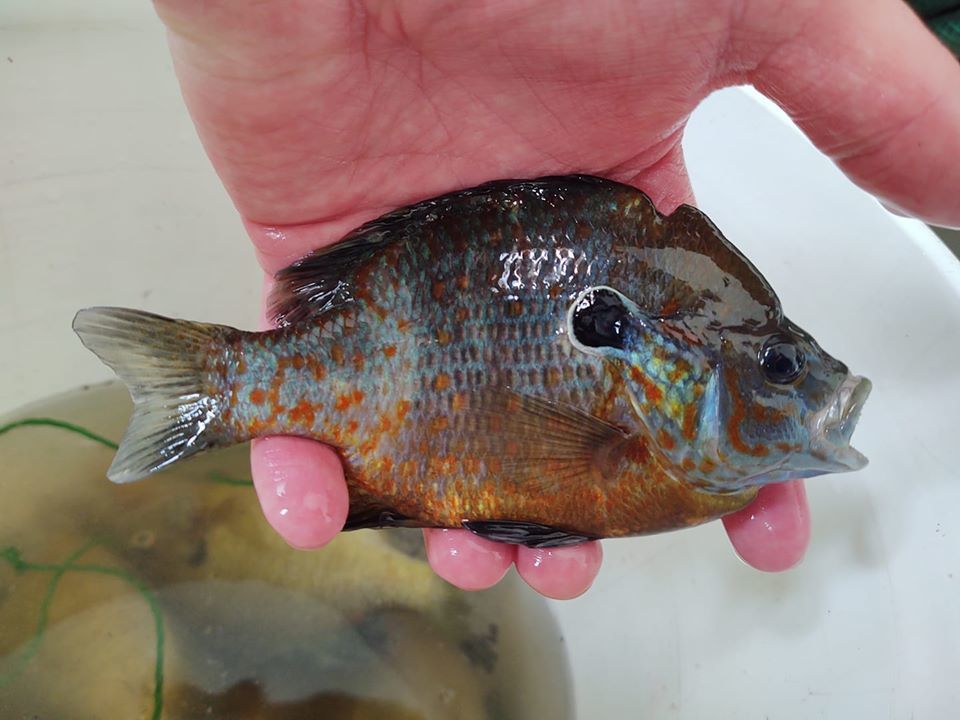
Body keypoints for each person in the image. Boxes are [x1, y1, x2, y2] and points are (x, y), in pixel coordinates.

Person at [153, 0, 960, 599]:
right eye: (777, 368)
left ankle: (214, 386)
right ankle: (214, 385)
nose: (804, 388)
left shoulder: (677, 417)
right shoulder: (661, 431)